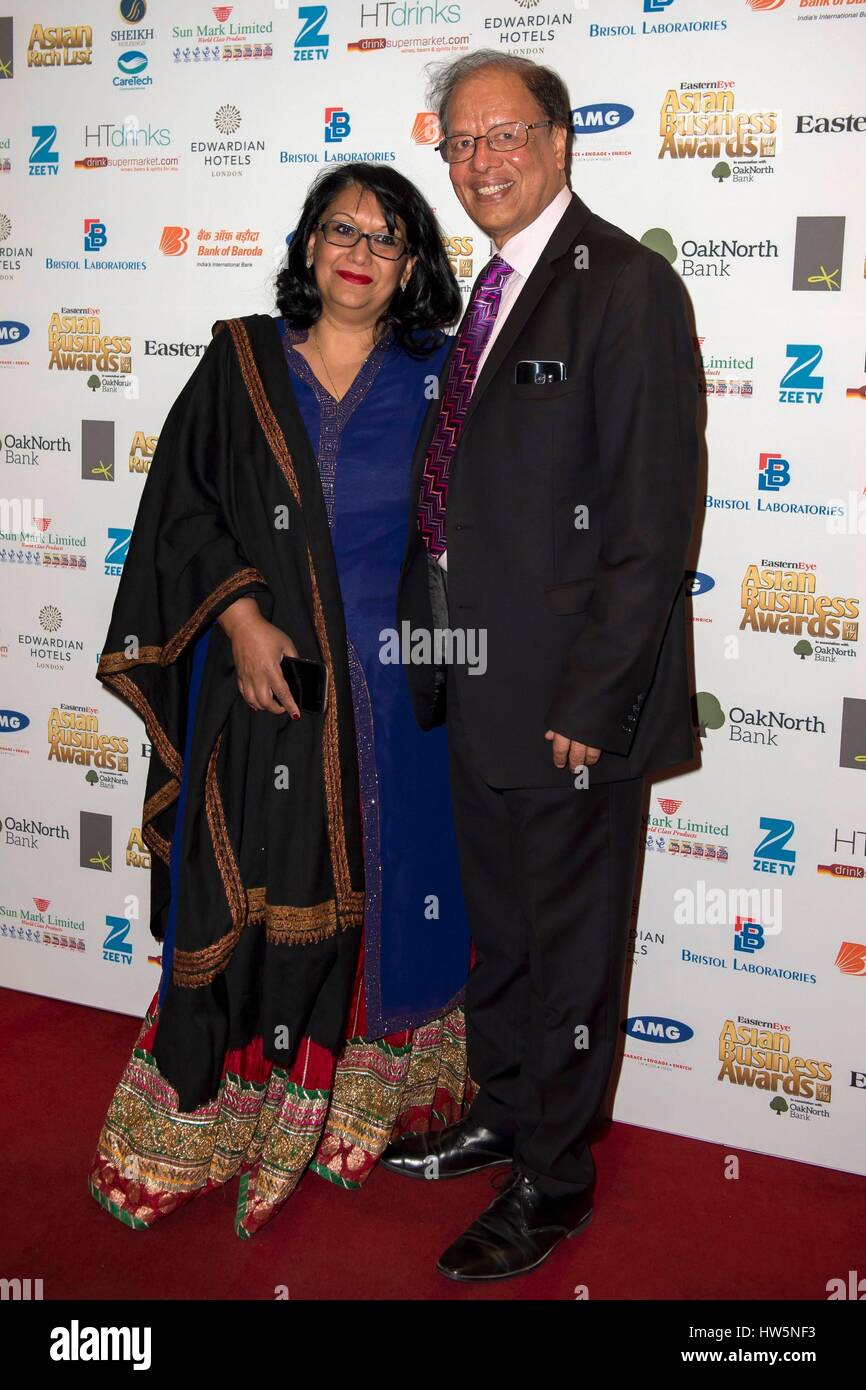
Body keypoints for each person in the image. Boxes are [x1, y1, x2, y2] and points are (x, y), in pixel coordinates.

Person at [87, 162, 472, 1238]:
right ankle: (211, 1119)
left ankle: (360, 1103)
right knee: (252, 891)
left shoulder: (445, 378)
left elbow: (477, 535)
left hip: (396, 698)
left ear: (411, 266)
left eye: (386, 237)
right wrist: (245, 615)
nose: (359, 250)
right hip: (266, 690)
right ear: (308, 245)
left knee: (395, 894)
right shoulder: (241, 364)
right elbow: (180, 510)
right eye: (341, 228)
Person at [383, 52, 699, 1281]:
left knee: (567, 947)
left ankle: (552, 1181)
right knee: (502, 932)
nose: (479, 163)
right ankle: (504, 1109)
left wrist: (594, 700)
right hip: (472, 675)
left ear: (560, 139)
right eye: (457, 144)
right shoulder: (492, 288)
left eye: (503, 134)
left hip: (568, 700)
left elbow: (650, 519)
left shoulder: (623, 285)